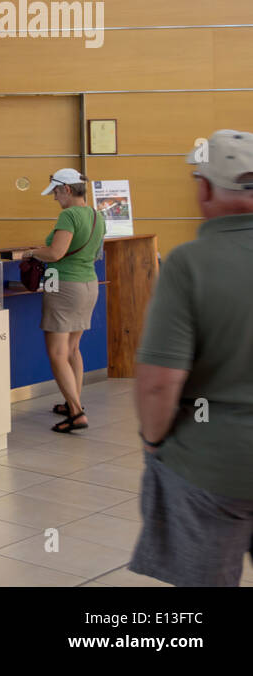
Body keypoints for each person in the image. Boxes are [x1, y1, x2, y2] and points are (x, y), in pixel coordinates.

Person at [129, 129, 253, 586]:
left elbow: (159, 383)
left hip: (211, 466)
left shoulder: (188, 264)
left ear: (204, 188)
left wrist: (153, 440)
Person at [20, 168, 106, 434]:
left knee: (57, 353)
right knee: (73, 349)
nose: (55, 198)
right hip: (89, 285)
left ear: (67, 190)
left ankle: (77, 412)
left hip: (65, 286)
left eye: (56, 192)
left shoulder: (68, 215)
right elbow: (94, 254)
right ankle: (73, 402)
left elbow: (56, 253)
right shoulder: (96, 214)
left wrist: (32, 252)